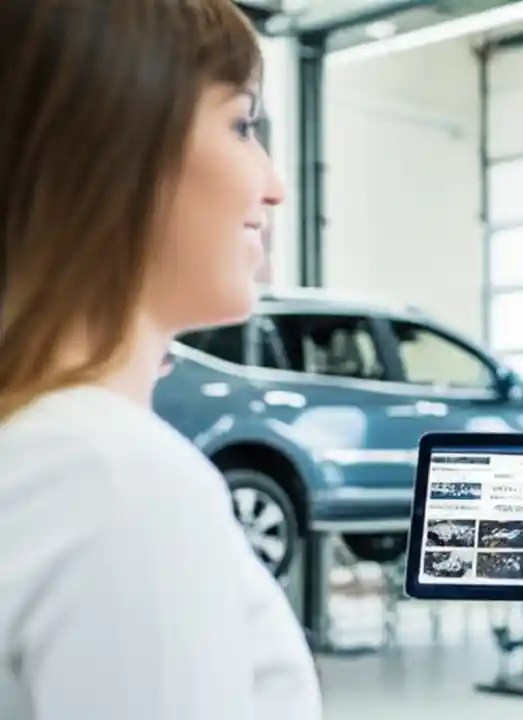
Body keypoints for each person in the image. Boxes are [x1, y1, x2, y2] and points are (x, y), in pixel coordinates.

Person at [0, 1, 322, 718]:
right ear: (116, 148)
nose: (274, 185)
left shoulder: (46, 452)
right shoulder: (114, 478)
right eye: (242, 125)